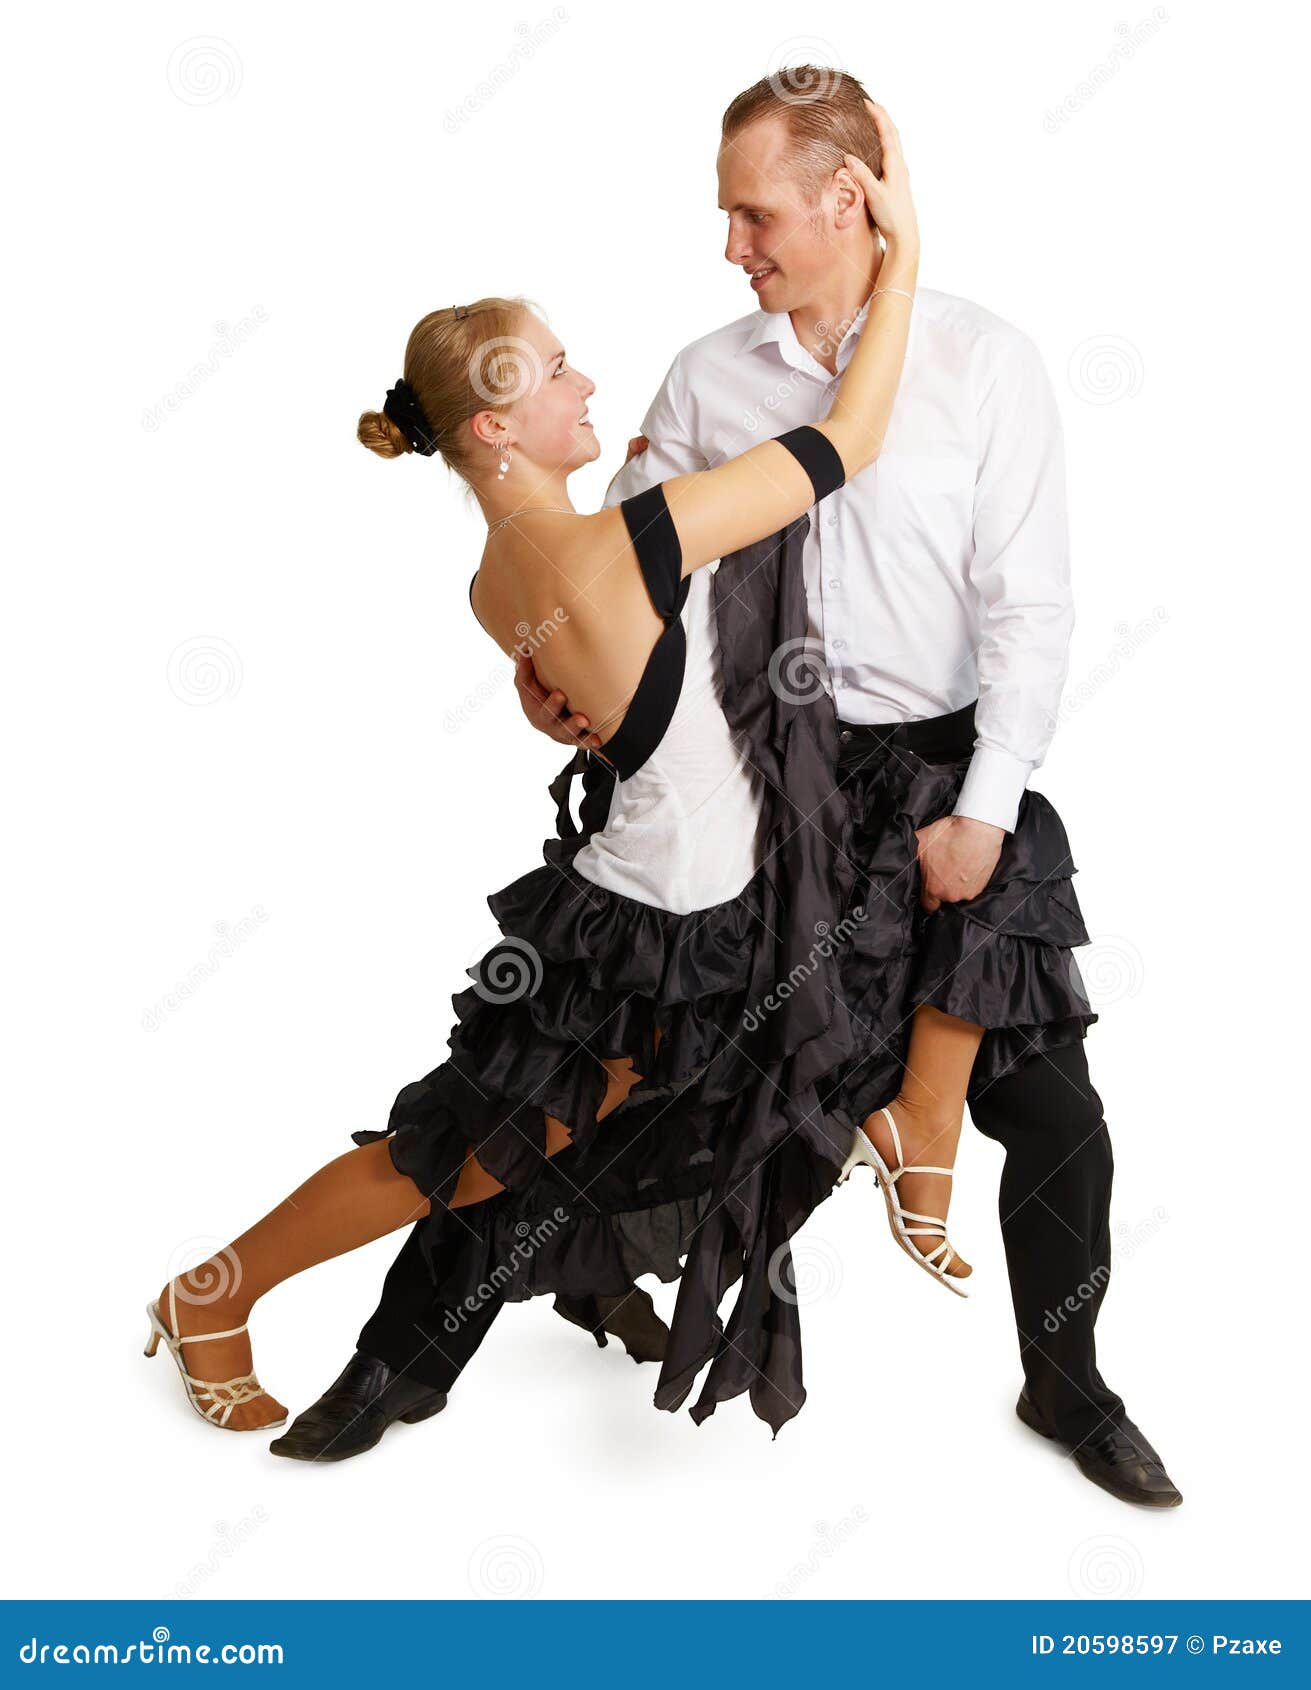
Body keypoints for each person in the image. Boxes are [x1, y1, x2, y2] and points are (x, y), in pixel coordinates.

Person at [307, 70, 1181, 1508]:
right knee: (597, 1085)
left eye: (753, 211)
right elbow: (609, 568)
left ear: (851, 198)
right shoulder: (711, 375)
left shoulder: (988, 362)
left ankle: (1068, 1383)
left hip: (953, 780)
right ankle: (404, 1353)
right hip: (765, 797)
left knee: (1056, 1108)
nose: (731, 244)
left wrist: (988, 798)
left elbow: (1034, 606)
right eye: (728, 212)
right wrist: (549, 679)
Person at [147, 103, 937, 1444]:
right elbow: (846, 448)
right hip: (648, 929)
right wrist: (902, 262)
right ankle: (209, 1289)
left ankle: (593, 1281)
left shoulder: (503, 570)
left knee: (597, 1131)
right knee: (447, 1155)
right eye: (559, 369)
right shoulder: (627, 540)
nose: (588, 382)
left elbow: (583, 657)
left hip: (669, 909)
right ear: (500, 420)